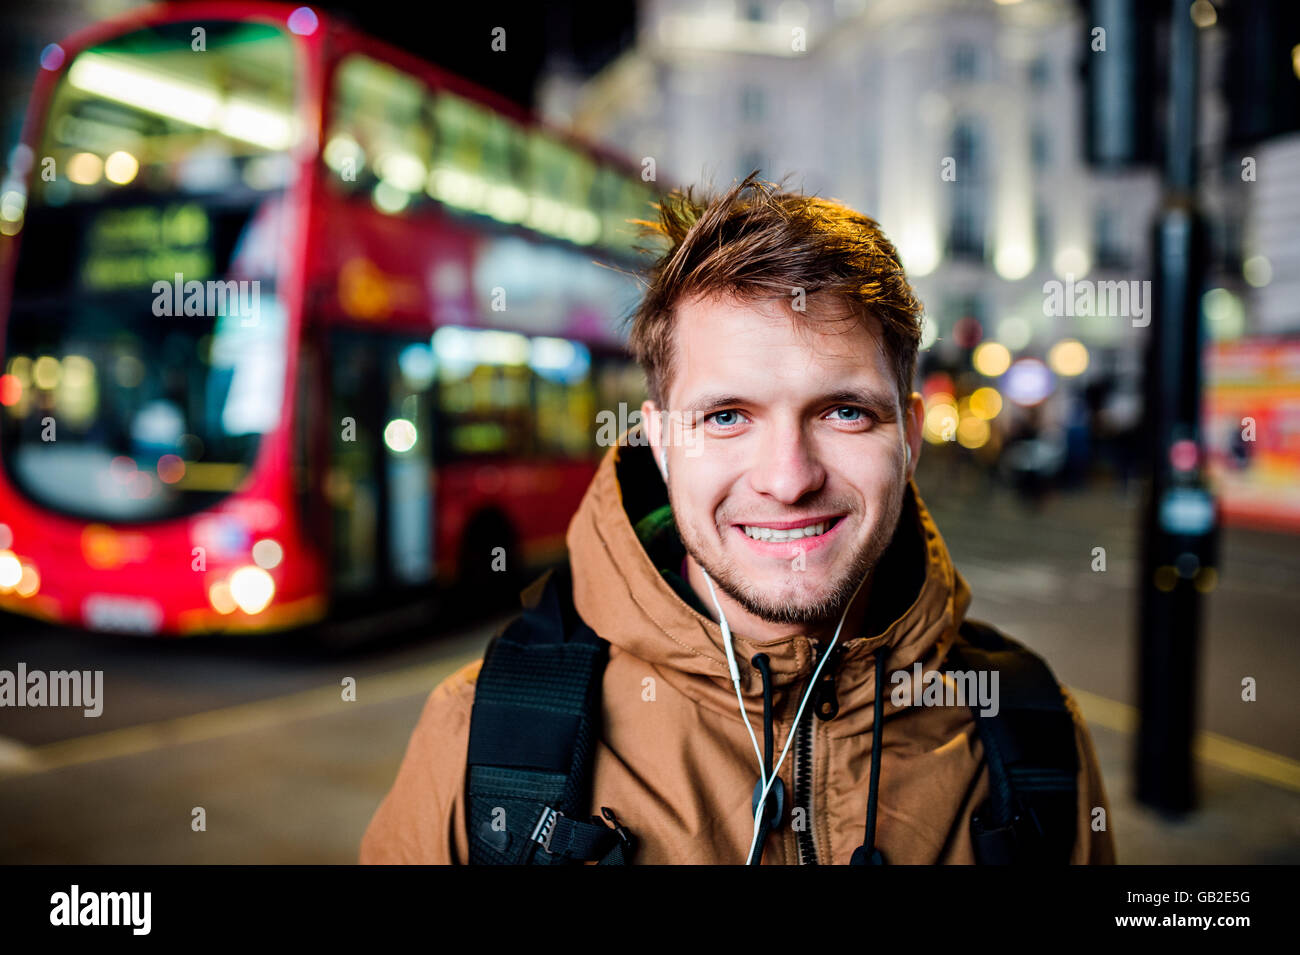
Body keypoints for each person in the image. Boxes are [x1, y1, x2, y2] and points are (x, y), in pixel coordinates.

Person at [360, 172, 1116, 865]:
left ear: (910, 437)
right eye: (727, 417)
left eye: (845, 412)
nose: (788, 479)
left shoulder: (1034, 738)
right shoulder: (484, 738)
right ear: (660, 444)